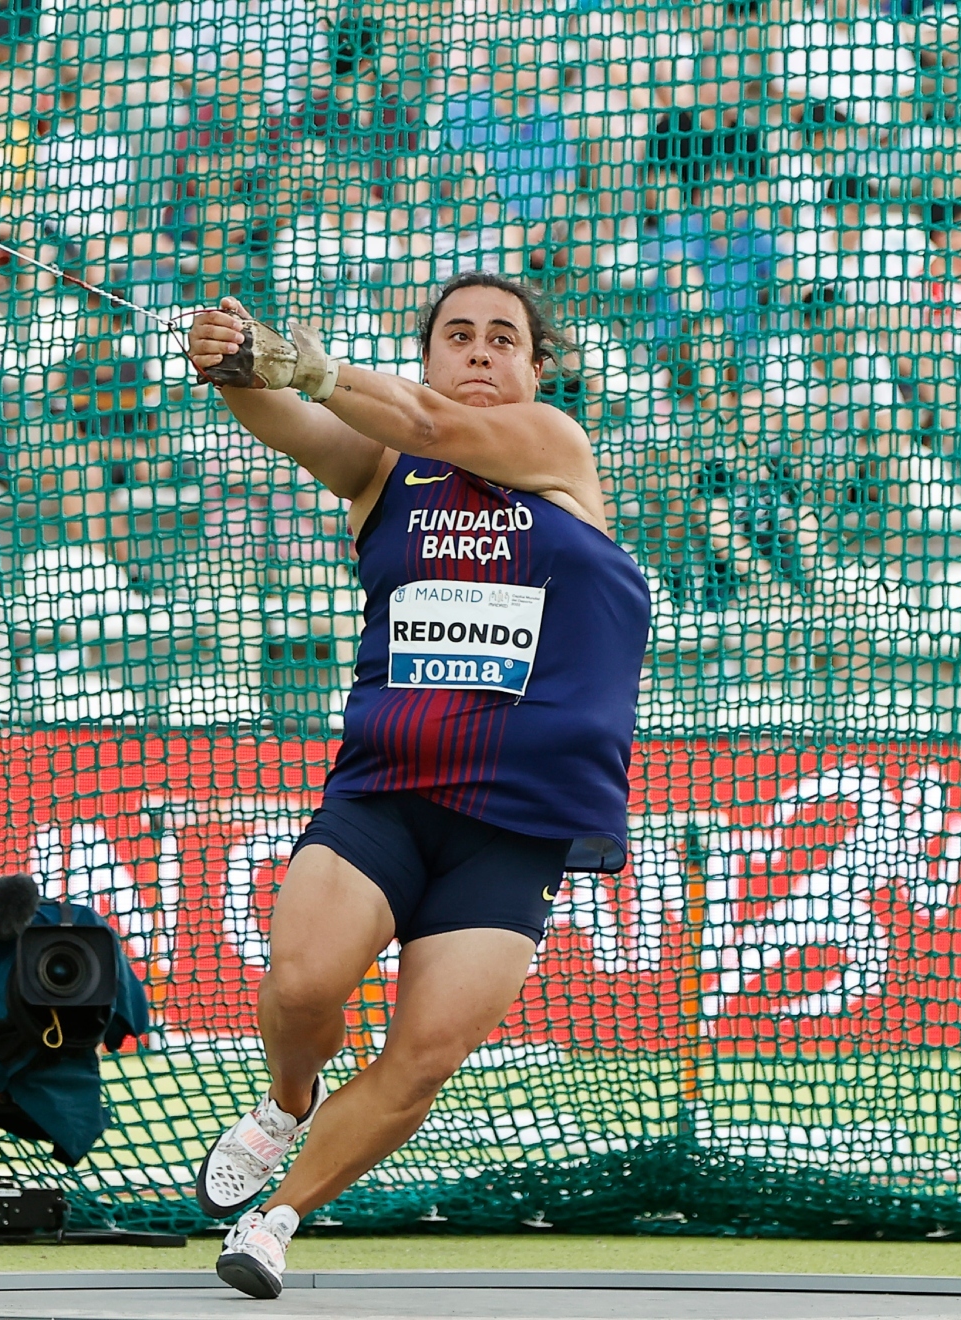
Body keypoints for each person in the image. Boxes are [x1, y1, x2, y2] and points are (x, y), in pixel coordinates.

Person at [183, 271, 650, 1297]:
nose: (480, 353)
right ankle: (286, 1102)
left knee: (424, 1053)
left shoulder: (555, 452)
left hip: (516, 828)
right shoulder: (383, 471)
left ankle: (278, 1219)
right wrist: (228, 362)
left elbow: (421, 416)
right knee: (302, 987)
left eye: (503, 340)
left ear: (536, 368)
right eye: (457, 336)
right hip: (386, 794)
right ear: (429, 350)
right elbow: (287, 418)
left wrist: (312, 364)